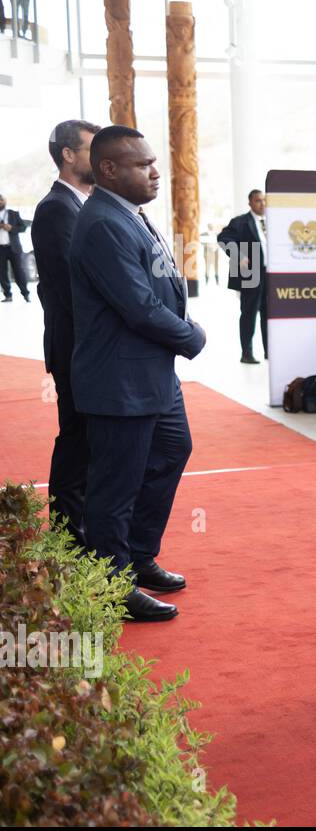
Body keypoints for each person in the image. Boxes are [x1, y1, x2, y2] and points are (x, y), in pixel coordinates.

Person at [68, 125, 207, 622]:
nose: (154, 172)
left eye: (152, 162)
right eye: (141, 164)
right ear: (108, 169)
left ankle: (140, 554)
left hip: (151, 374)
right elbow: (139, 306)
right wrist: (191, 336)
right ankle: (113, 584)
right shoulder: (104, 222)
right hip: (120, 380)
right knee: (115, 487)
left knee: (172, 450)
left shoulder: (129, 215)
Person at [32, 118, 101, 547]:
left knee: (90, 441)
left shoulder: (86, 205)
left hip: (91, 348)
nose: (102, 158)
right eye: (92, 149)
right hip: (76, 348)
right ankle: (68, 538)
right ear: (68, 155)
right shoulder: (56, 208)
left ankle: (84, 532)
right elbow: (69, 288)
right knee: (77, 440)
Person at [218, 190, 268, 364]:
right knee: (249, 313)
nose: (262, 204)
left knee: (269, 314)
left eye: (264, 200)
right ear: (250, 203)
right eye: (258, 201)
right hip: (251, 273)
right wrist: (238, 256)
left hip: (271, 274)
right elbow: (223, 238)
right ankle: (246, 353)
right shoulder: (240, 222)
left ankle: (270, 352)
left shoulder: (273, 222)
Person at [0, 193, 31, 302]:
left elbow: (23, 228)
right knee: (2, 273)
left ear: (5, 201)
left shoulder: (13, 214)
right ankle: (8, 295)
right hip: (1, 249)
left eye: (1, 200)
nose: (0, 202)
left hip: (14, 248)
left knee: (19, 271)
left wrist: (11, 228)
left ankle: (26, 294)